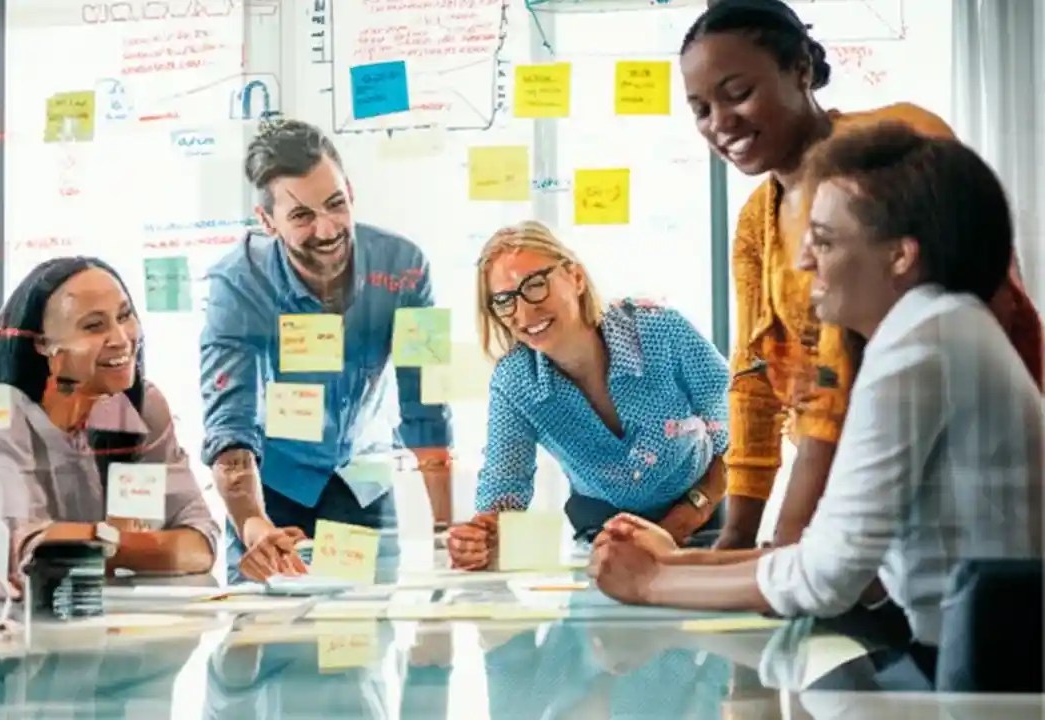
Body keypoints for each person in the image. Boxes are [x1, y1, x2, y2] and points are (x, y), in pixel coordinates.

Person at [590, 123, 1044, 684]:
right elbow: (837, 555)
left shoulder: (920, 342)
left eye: (824, 241)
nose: (804, 262)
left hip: (978, 677)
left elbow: (825, 578)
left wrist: (652, 583)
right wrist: (674, 561)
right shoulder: (940, 326)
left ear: (901, 255)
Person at [678, 0, 1044, 551]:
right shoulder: (757, 218)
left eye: (738, 93)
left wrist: (785, 542)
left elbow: (976, 300)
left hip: (951, 472)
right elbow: (755, 376)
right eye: (701, 108)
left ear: (800, 70)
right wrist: (735, 537)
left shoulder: (895, 149)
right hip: (847, 484)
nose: (720, 123)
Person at [0, 257, 219, 593]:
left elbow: (199, 542)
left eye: (124, 316)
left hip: (54, 605)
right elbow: (24, 549)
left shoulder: (139, 408)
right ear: (43, 345)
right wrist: (134, 547)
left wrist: (96, 544)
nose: (121, 338)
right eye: (93, 326)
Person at [201, 118, 454, 582]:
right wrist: (253, 524)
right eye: (301, 216)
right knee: (271, 634)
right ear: (267, 222)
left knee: (357, 640)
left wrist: (445, 531)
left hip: (363, 483)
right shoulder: (237, 285)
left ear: (351, 192)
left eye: (335, 204)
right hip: (271, 490)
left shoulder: (405, 268)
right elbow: (229, 423)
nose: (327, 228)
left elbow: (428, 402)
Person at [447, 221, 730, 570]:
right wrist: (479, 537)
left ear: (576, 277)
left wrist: (678, 526)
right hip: (603, 530)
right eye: (504, 301)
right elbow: (504, 489)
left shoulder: (660, 330)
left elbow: (739, 436)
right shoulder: (515, 381)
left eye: (535, 285)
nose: (523, 313)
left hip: (702, 511)